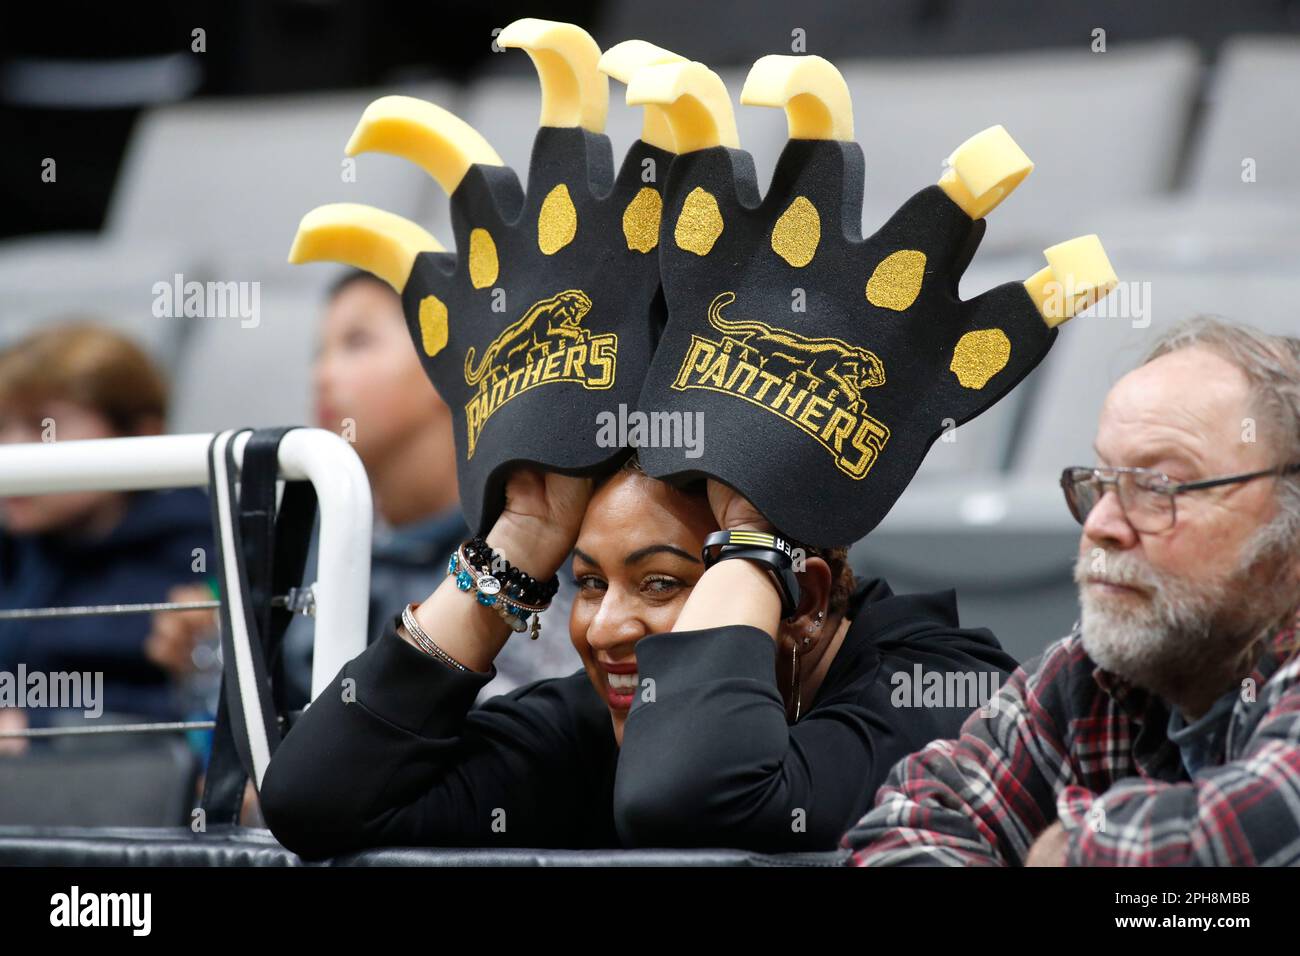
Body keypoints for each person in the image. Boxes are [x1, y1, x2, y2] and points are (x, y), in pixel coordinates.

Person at [259, 451, 1017, 858]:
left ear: (807, 599)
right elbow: (315, 798)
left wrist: (752, 550)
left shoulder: (947, 693)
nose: (604, 627)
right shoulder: (609, 716)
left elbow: (691, 794)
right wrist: (517, 546)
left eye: (660, 582)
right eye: (587, 583)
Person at [843, 317, 1300, 866]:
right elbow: (905, 828)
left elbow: (1228, 844)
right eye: (1101, 480)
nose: (1101, 524)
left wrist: (1066, 851)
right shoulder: (1098, 673)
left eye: (1161, 487)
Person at [280, 270, 579, 709]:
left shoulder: (539, 529)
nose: (322, 374)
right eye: (319, 352)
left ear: (451, 360)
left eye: (356, 342)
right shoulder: (312, 534)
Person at [0, 323, 216, 753]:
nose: (11, 450)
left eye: (43, 425)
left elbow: (184, 718)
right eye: (1, 427)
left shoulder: (199, 555)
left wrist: (37, 727)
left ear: (142, 435)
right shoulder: (18, 548)